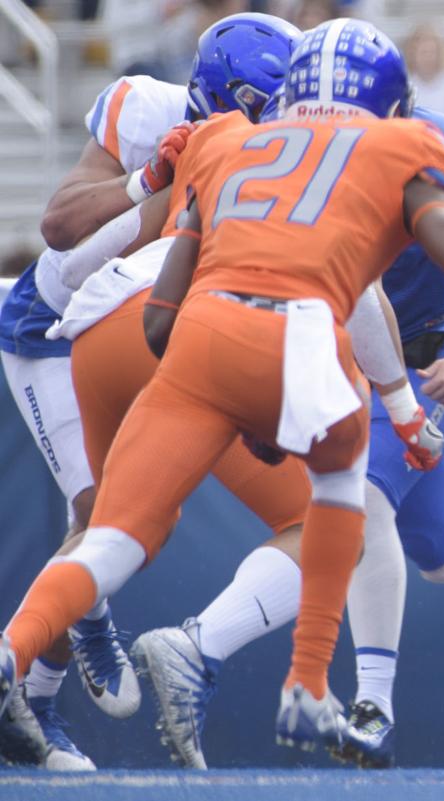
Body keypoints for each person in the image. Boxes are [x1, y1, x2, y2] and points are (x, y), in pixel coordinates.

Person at [0, 16, 444, 757]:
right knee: (353, 494)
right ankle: (297, 683)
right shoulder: (391, 149)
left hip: (166, 337)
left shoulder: (223, 141)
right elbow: (417, 290)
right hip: (304, 342)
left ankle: (15, 652)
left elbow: (162, 302)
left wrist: (231, 392)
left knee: (117, 535)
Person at [128, 100, 444, 770]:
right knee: (442, 550)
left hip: (418, 365)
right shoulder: (327, 172)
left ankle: (364, 703)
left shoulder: (423, 167)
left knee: (357, 506)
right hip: (341, 360)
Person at [0, 12, 302, 771]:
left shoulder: (248, 150)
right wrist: (151, 182)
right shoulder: (145, 109)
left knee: (112, 520)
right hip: (53, 329)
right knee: (102, 513)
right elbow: (61, 236)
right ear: (241, 97)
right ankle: (37, 688)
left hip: (152, 324)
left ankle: (33, 686)